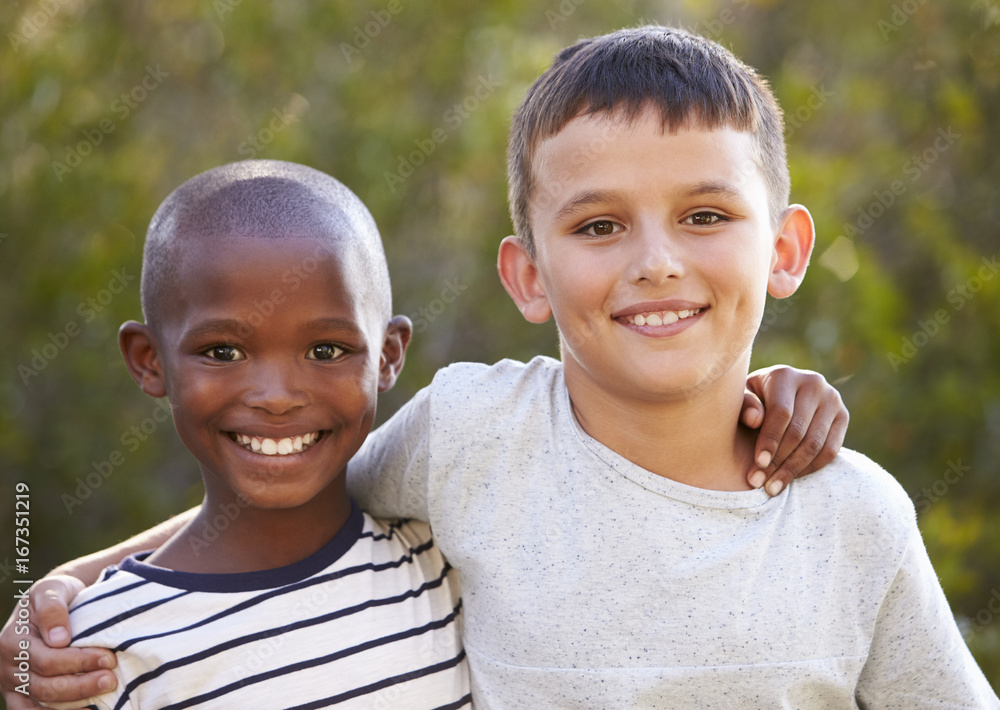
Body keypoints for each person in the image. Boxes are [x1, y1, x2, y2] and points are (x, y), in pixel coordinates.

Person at [0, 34, 859, 709]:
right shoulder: (469, 443)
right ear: (527, 274)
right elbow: (293, 482)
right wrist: (67, 581)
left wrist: (770, 393)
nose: (658, 262)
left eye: (704, 215)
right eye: (599, 227)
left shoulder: (847, 513)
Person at [28, 160, 472, 708]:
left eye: (326, 351)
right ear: (150, 362)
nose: (277, 395)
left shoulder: (446, 557)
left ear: (387, 355)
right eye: (222, 352)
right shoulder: (95, 650)